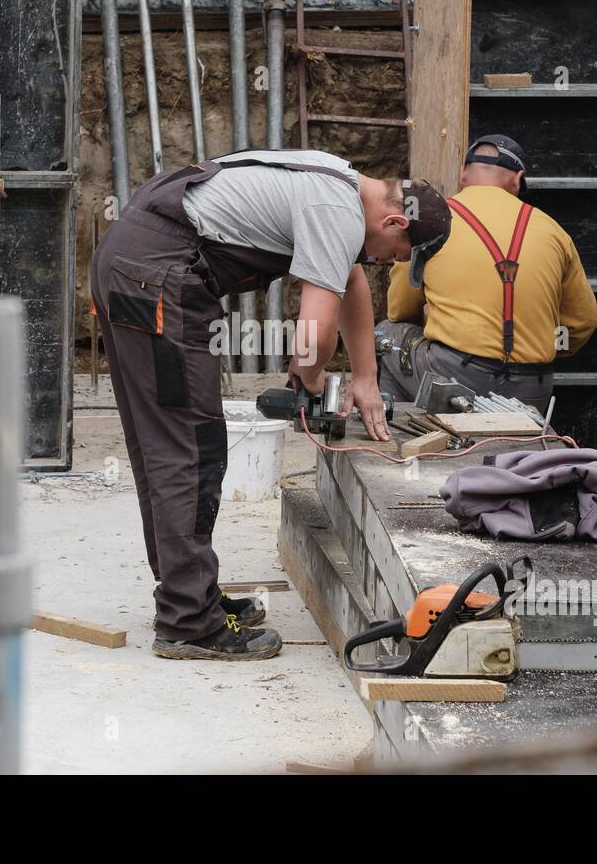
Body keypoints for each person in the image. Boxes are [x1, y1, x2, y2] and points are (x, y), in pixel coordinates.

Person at [90, 149, 450, 661]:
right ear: (394, 221)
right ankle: (190, 624)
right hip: (158, 283)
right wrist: (309, 377)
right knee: (190, 449)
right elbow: (311, 337)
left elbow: (347, 280)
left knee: (166, 445)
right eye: (393, 254)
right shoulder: (336, 211)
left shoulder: (338, 180)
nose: (383, 264)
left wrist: (366, 377)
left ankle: (189, 595)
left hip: (135, 265)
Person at [377, 134, 597, 413]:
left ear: (462, 174)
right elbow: (583, 322)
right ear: (518, 179)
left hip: (455, 380)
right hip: (532, 389)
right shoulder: (552, 229)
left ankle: (397, 432)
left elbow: (400, 310)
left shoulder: (430, 223)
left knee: (386, 334)